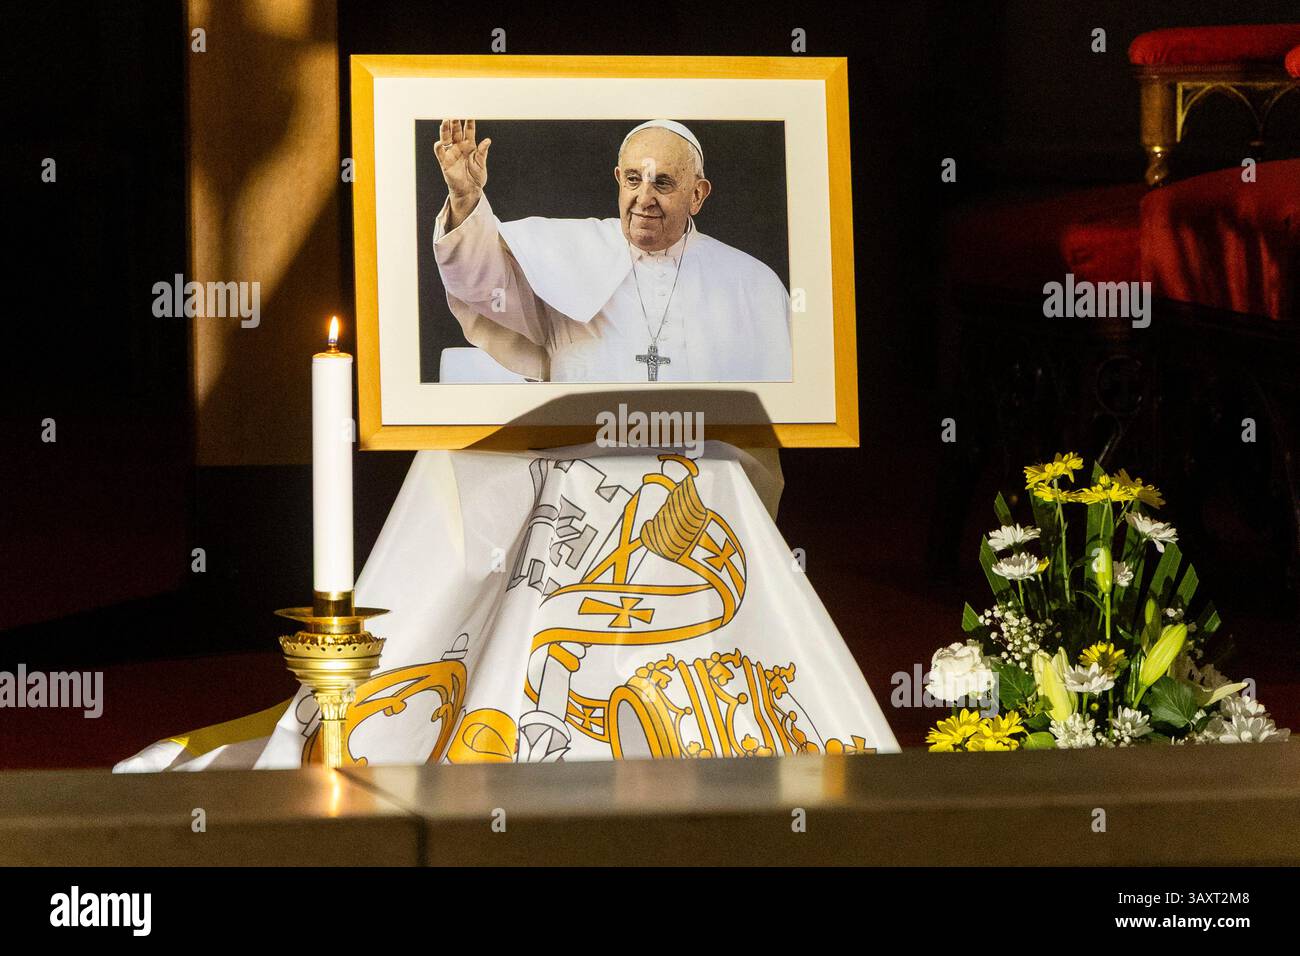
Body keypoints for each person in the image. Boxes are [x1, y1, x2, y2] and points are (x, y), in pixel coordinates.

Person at [432, 119, 792, 383]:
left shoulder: (751, 284)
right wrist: (465, 198)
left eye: (662, 183)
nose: (644, 199)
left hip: (698, 462)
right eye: (634, 180)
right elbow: (479, 284)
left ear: (697, 195)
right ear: (619, 179)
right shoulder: (568, 253)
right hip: (580, 458)